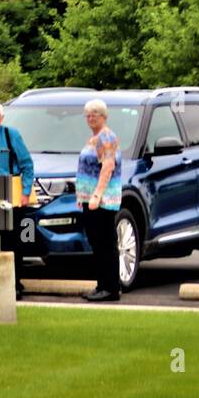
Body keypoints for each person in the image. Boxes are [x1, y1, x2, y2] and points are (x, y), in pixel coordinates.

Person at [0, 100, 34, 299]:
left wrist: (26, 193)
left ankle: (15, 284)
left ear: (2, 117)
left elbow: (27, 165)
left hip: (9, 195)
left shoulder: (11, 135)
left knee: (13, 242)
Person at [76, 98, 121, 302]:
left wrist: (96, 195)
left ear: (104, 116)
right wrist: (82, 196)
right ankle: (101, 284)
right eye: (88, 114)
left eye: (95, 114)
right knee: (96, 242)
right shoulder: (93, 138)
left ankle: (111, 288)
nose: (91, 117)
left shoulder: (107, 137)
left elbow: (108, 167)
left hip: (102, 200)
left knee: (106, 243)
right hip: (89, 199)